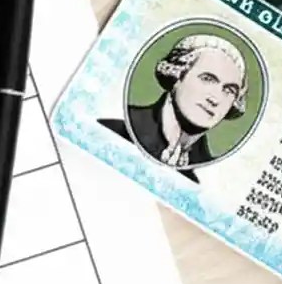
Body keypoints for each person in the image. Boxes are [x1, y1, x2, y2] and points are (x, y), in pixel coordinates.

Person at [99, 34, 249, 184]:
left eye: (229, 91)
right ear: (177, 76)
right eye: (207, 79)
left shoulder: (207, 181)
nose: (215, 99)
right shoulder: (113, 130)